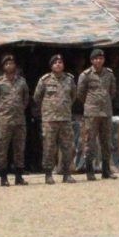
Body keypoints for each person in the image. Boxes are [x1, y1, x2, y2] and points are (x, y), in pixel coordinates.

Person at [33, 53, 77, 183]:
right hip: (50, 119)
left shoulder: (69, 79)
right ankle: (48, 174)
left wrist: (65, 106)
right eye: (55, 62)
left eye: (60, 62)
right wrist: (49, 109)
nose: (58, 64)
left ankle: (67, 173)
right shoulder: (45, 80)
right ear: (51, 66)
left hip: (65, 118)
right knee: (49, 147)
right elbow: (37, 97)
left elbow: (73, 96)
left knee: (67, 147)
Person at [0, 54, 31, 186]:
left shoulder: (22, 81)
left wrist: (18, 109)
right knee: (2, 148)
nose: (9, 66)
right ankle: (3, 177)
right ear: (3, 67)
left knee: (19, 148)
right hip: (4, 120)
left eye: (11, 63)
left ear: (15, 66)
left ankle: (19, 176)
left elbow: (26, 98)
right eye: (6, 64)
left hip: (19, 120)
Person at [76, 47, 118, 179]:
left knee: (106, 141)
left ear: (104, 59)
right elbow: (80, 94)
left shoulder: (109, 74)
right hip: (92, 113)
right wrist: (91, 104)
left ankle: (106, 170)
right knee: (90, 142)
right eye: (96, 59)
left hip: (106, 112)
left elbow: (112, 92)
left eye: (101, 58)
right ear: (92, 60)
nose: (99, 61)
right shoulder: (85, 75)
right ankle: (89, 170)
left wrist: (104, 102)